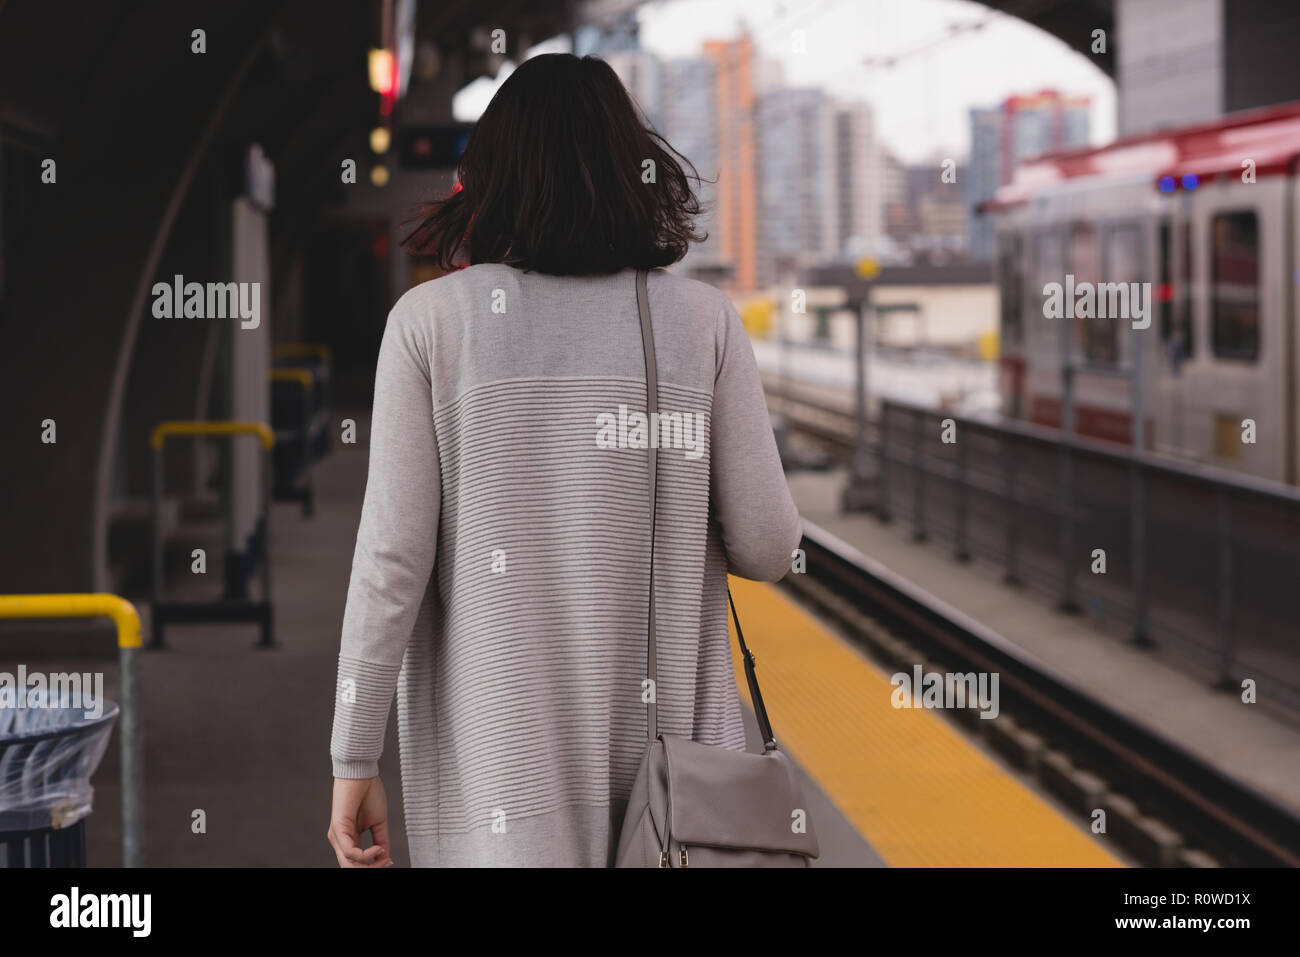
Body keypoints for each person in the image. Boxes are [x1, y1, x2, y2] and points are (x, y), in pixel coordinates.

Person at [325, 52, 801, 867]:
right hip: (681, 814)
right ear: (639, 174)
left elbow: (391, 561)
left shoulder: (431, 323)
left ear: (490, 180)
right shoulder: (704, 323)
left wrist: (354, 755)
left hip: (502, 796)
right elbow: (768, 545)